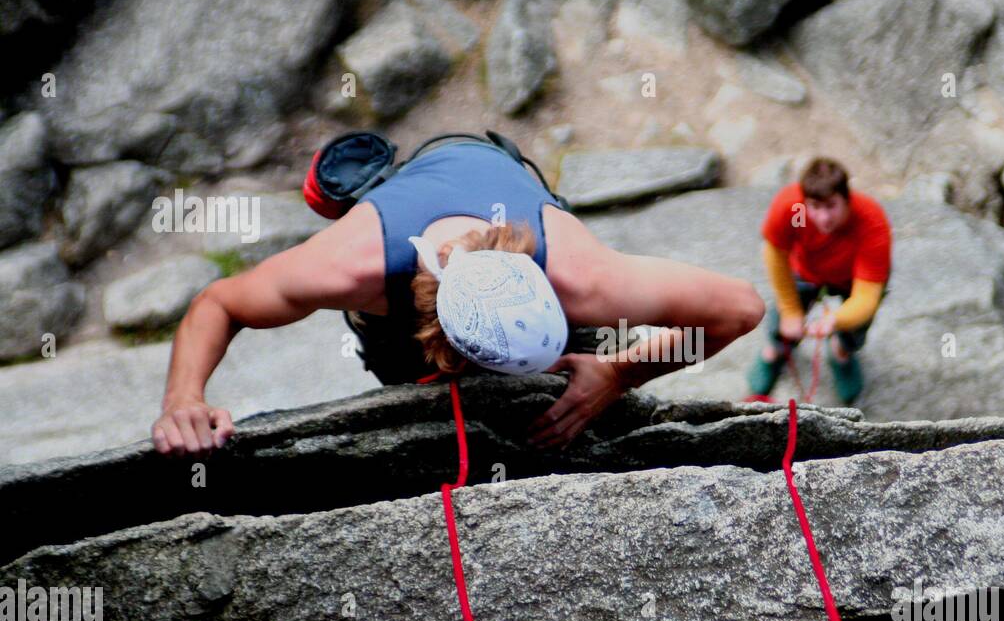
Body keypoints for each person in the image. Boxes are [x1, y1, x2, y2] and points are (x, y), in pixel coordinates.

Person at [151, 135, 765, 457]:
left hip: (490, 177)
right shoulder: (351, 269)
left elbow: (740, 308)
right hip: (401, 294)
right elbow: (219, 302)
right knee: (402, 374)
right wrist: (183, 399)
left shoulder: (583, 279)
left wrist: (615, 373)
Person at [746, 157, 891, 404]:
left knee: (856, 326)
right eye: (815, 206)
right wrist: (791, 310)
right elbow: (775, 256)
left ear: (847, 199)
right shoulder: (793, 208)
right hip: (806, 270)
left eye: (831, 206)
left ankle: (841, 352)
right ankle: (776, 350)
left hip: (852, 279)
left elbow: (865, 297)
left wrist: (836, 320)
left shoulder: (871, 222)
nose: (823, 218)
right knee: (781, 320)